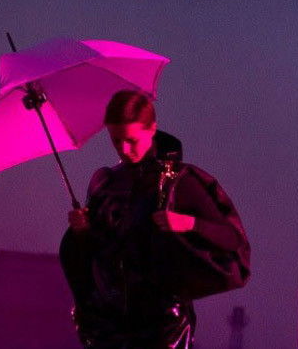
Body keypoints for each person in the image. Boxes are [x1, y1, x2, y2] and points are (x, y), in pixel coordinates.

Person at [60, 89, 251, 349]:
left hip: (162, 327)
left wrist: (188, 224)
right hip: (107, 323)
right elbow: (96, 253)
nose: (125, 149)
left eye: (131, 140)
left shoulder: (180, 181)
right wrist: (81, 231)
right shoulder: (105, 183)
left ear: (152, 129)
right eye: (116, 141)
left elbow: (232, 239)